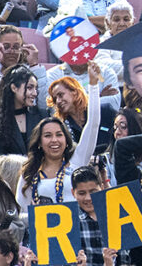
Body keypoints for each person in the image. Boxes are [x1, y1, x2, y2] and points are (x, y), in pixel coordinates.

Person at [14, 63, 101, 209]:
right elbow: (21, 211)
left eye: (59, 135)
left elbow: (93, 124)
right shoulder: (29, 173)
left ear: (66, 141)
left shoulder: (77, 162)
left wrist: (93, 84)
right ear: (39, 142)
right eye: (47, 135)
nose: (54, 140)